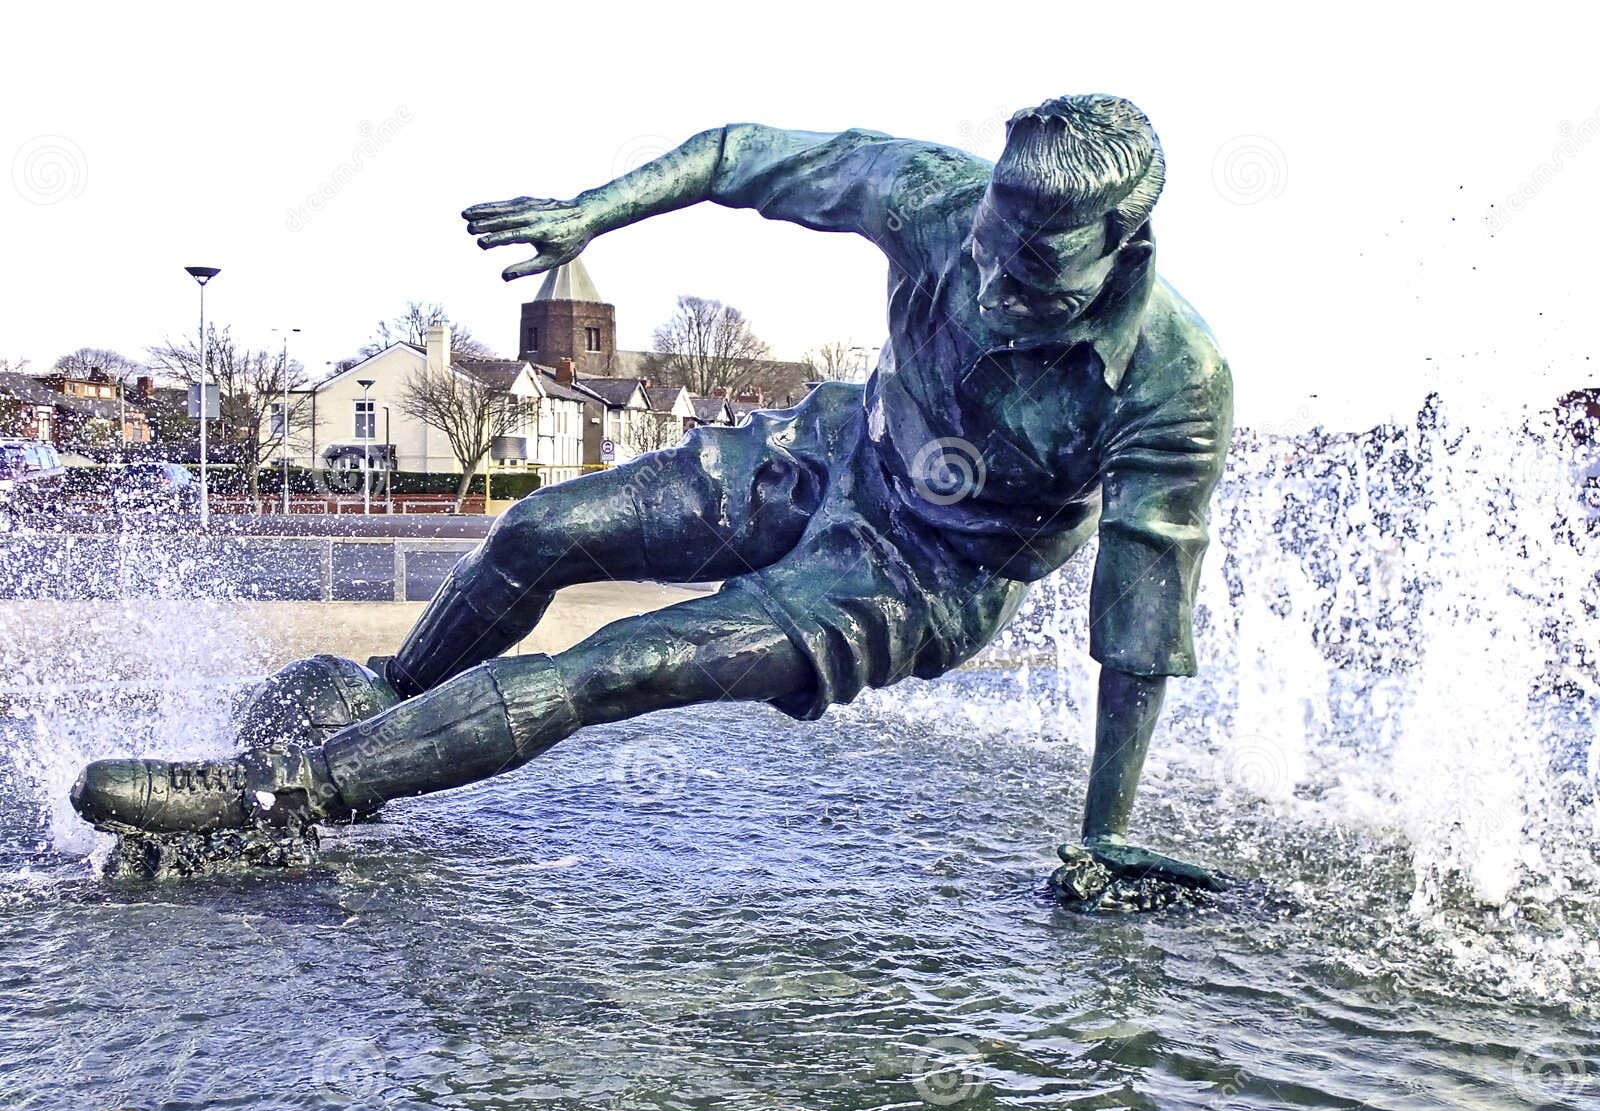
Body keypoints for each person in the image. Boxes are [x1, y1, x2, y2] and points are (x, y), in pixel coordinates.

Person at [73, 94, 1233, 891]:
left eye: (1032, 263)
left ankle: (279, 794)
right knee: (539, 528)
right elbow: (742, 154)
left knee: (606, 669)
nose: (988, 270)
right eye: (988, 238)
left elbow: (1138, 633)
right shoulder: (941, 199)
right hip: (835, 451)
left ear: (1124, 239)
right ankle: (388, 696)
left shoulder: (1174, 382)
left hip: (924, 576)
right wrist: (592, 213)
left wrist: (1106, 836)